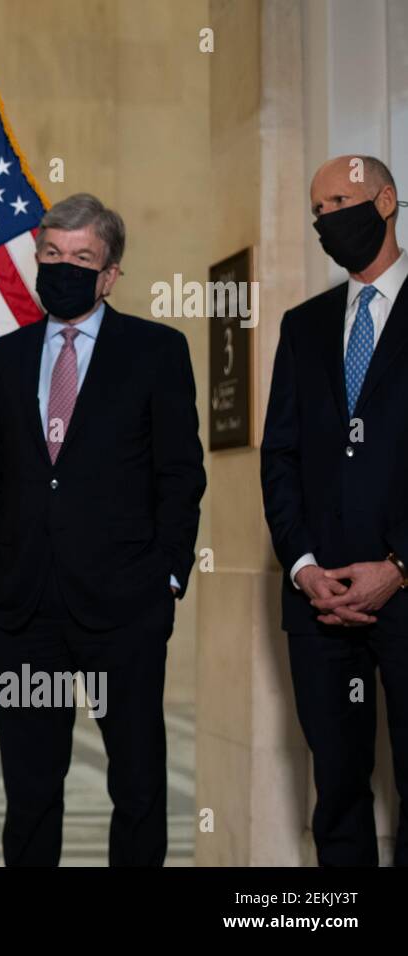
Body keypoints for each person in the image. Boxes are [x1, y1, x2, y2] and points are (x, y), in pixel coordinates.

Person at [0, 193, 205, 866]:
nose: (62, 268)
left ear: (109, 274)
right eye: (51, 255)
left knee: (136, 785)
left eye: (81, 258)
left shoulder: (157, 351)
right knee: (31, 789)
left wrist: (166, 576)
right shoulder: (1, 358)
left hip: (125, 607)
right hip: (21, 611)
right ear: (36, 256)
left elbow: (181, 474)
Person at [261, 154, 408, 866]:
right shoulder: (304, 326)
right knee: (338, 793)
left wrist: (399, 566)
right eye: (318, 210)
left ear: (385, 201)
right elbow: (279, 458)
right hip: (320, 607)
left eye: (341, 203)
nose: (328, 220)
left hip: (407, 593)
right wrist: (304, 566)